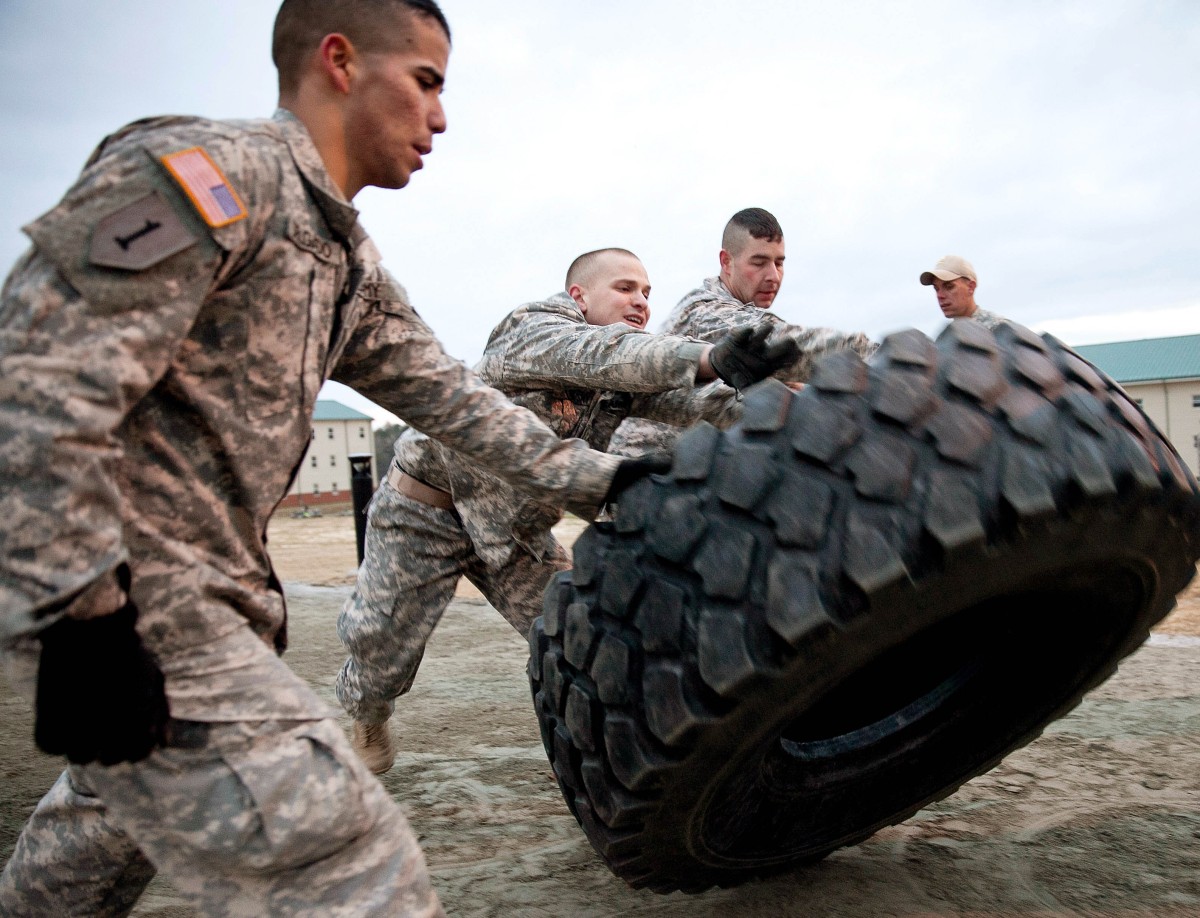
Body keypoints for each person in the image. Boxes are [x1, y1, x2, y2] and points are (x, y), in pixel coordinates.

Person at [0, 3, 660, 915]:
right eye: (425, 82)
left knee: (94, 843)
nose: (440, 117)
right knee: (355, 871)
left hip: (218, 603)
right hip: (133, 608)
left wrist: (614, 484)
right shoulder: (208, 177)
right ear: (340, 62)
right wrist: (80, 618)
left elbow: (458, 403)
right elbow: (37, 380)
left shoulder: (345, 263)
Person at [336, 247, 797, 773]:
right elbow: (600, 354)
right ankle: (368, 714)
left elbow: (692, 402)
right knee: (381, 649)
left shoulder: (623, 373)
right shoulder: (532, 330)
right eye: (625, 288)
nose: (641, 301)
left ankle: (613, 753)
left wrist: (775, 406)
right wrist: (706, 356)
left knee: (587, 636)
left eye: (647, 293)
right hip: (425, 514)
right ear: (578, 295)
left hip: (515, 534)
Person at [609, 207, 876, 458]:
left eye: (779, 263)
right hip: (645, 471)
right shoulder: (706, 313)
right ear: (727, 262)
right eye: (759, 263)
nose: (773, 276)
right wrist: (884, 360)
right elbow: (788, 345)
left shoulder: (730, 309)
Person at [919, 254, 1006, 329]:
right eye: (936, 289)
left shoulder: (998, 329)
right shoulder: (947, 338)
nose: (940, 295)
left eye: (949, 287)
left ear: (970, 287)